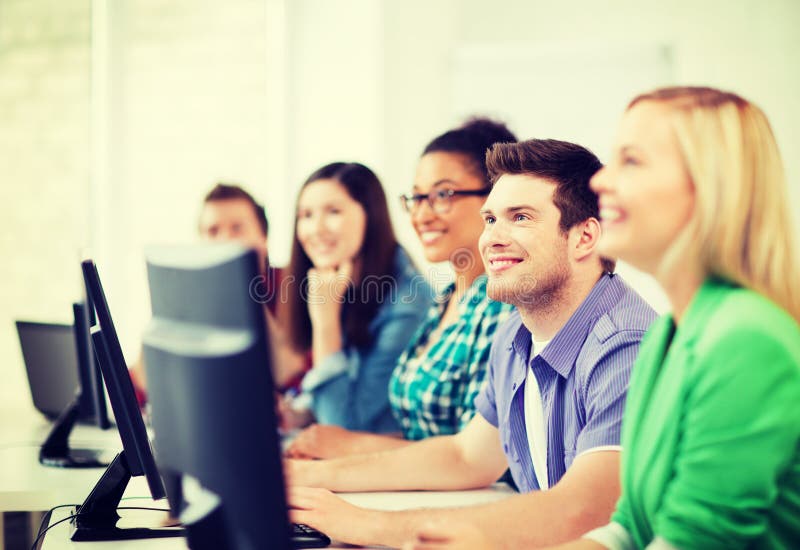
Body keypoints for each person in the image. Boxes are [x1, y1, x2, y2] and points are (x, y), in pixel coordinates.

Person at [409, 88, 800, 549]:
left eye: (631, 162)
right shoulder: (669, 336)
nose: (601, 183)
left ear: (711, 186)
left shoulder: (745, 341)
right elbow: (629, 529)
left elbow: (691, 541)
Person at [286, 139, 658, 548]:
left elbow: (583, 510)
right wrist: (308, 478)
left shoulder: (626, 346)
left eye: (520, 217)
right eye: (490, 219)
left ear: (584, 237)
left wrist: (368, 525)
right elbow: (466, 457)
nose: (493, 238)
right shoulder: (516, 333)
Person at [286, 118, 517, 459]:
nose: (421, 215)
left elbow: (472, 458)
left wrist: (325, 322)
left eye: (443, 194)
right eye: (417, 197)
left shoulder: (495, 304)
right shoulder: (445, 302)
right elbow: (415, 433)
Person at [280, 162, 431, 434]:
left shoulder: (408, 303)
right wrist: (297, 413)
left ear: (370, 216)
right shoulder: (342, 280)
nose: (316, 229)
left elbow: (344, 426)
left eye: (333, 211)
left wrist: (325, 323)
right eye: (306, 215)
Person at [129, 182, 306, 398]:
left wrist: (245, 288)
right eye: (213, 231)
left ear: (263, 238)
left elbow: (292, 378)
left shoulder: (291, 284)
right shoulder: (193, 295)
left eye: (237, 228)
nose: (224, 240)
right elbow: (140, 388)